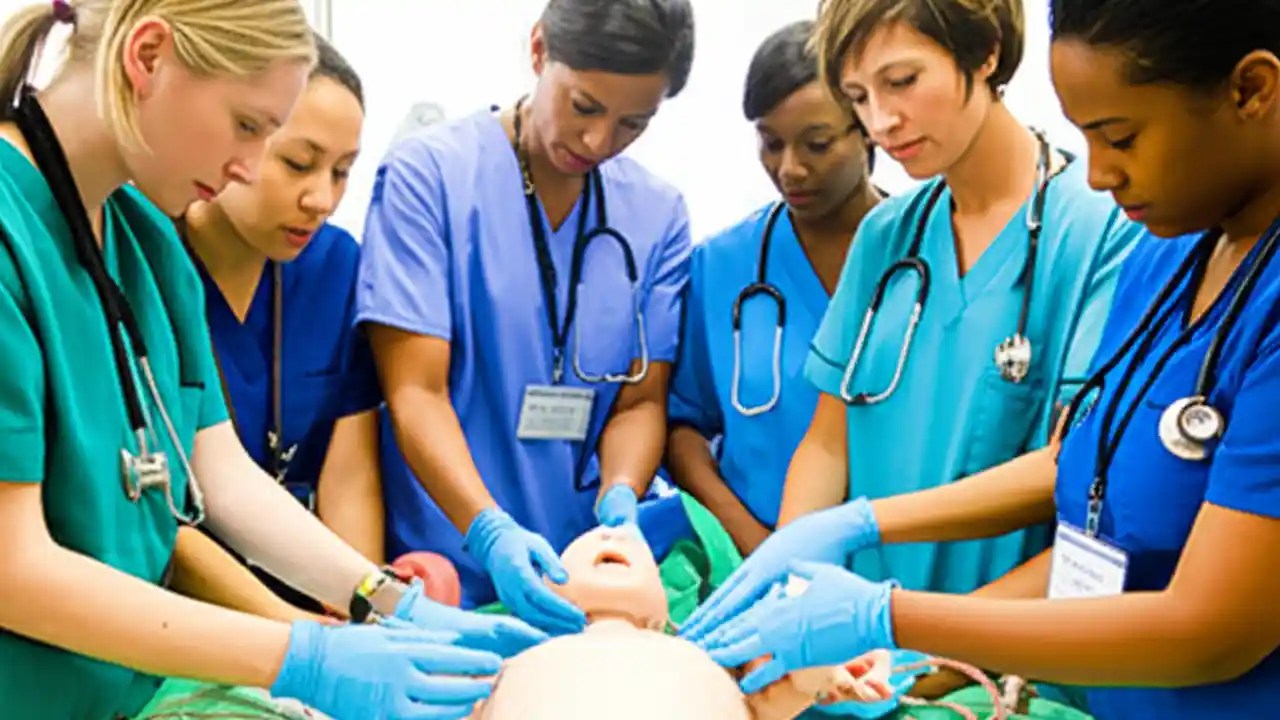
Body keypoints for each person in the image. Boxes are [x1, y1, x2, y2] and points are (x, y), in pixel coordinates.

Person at [689, 1, 1280, 718]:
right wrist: (854, 529)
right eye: (857, 99)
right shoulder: (1170, 253)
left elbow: (1209, 628)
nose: (1099, 175)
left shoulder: (1117, 237)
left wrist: (896, 622)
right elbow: (1085, 479)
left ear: (1252, 90)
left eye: (1119, 136)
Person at [0, 2, 544, 719]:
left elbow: (218, 474)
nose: (247, 167)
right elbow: (14, 568)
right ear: (149, 56)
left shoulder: (145, 248)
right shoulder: (13, 232)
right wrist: (297, 659)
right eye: (249, 126)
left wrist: (389, 600)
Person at [683, 0, 1146, 638]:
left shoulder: (1100, 228)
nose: (882, 121)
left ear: (984, 50)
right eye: (858, 97)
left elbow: (1072, 470)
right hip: (857, 646)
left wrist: (873, 548)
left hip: (997, 649)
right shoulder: (887, 235)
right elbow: (827, 441)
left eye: (901, 82)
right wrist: (786, 578)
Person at [356, 0, 696, 632]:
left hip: (586, 578)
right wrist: (488, 532)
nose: (599, 142)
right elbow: (415, 391)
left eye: (633, 123)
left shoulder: (657, 215)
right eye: (584, 106)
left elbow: (639, 402)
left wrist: (620, 495)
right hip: (446, 569)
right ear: (539, 50)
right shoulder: (430, 177)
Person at [180, 34, 383, 612]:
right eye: (298, 163)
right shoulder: (145, 261)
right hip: (177, 605)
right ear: (238, 136)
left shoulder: (337, 268)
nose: (321, 198)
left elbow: (349, 478)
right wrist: (299, 637)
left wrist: (359, 608)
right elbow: (167, 512)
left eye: (342, 172)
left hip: (308, 587)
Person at [666, 19, 881, 556]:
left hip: (905, 566)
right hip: (756, 559)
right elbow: (683, 428)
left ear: (869, 128)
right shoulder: (723, 266)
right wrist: (752, 542)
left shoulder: (931, 256)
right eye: (770, 143)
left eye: (816, 143)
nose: (790, 169)